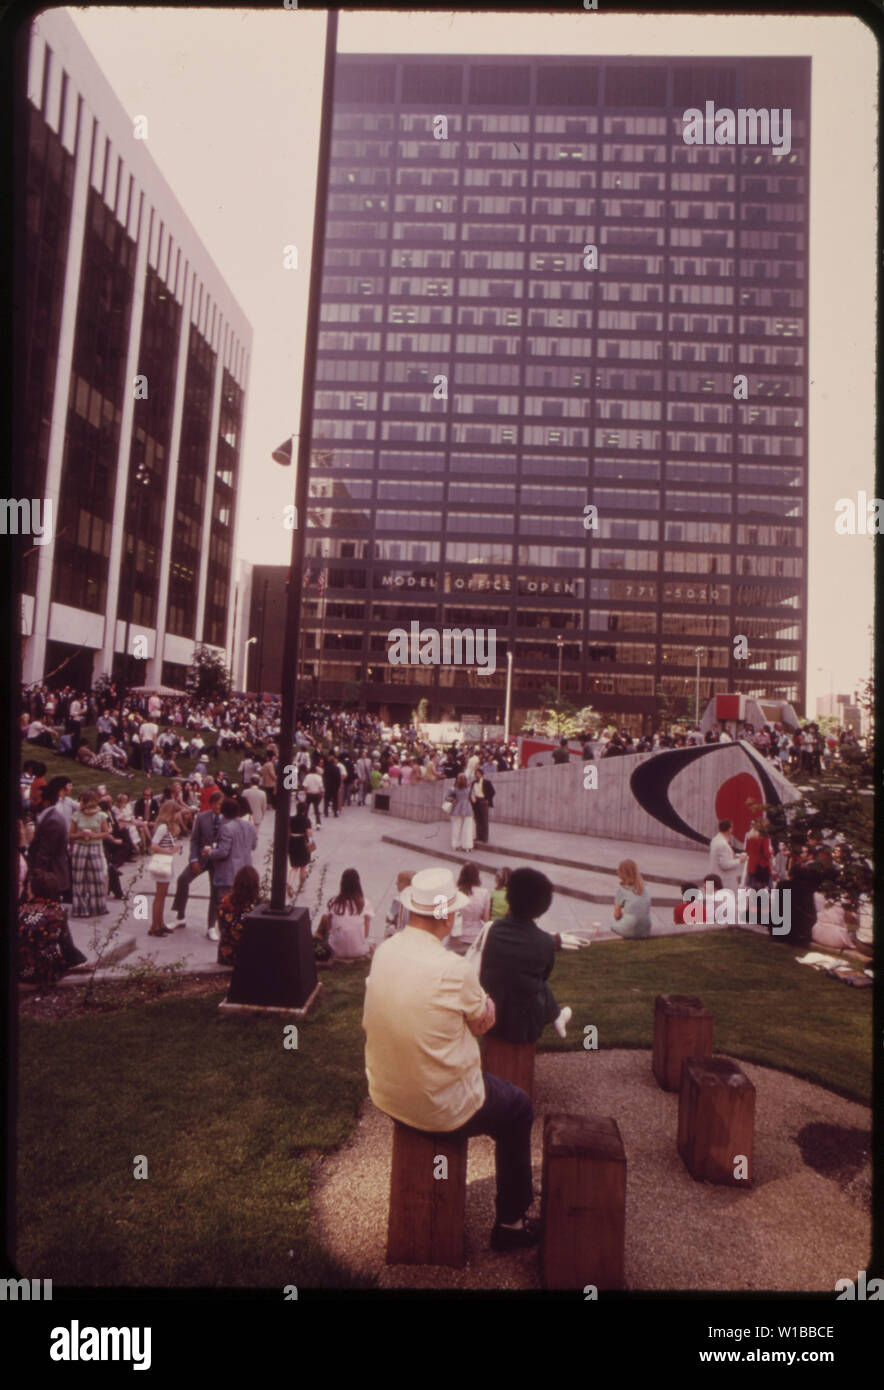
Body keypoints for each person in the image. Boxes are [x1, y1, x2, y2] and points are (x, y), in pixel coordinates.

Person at [362, 865, 538, 1251]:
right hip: (441, 1104)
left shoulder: (386, 950)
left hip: (387, 1092)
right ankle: (511, 1222)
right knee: (519, 1108)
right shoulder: (454, 968)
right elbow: (482, 1023)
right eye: (454, 910)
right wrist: (483, 1003)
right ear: (444, 915)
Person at [480, 866, 572, 1042]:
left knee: (525, 977)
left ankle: (558, 1015)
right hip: (524, 1026)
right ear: (542, 907)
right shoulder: (545, 942)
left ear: (509, 897)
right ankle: (557, 1015)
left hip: (491, 1015)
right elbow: (544, 976)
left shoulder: (493, 930)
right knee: (535, 981)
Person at [18, 868, 86, 987]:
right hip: (47, 972)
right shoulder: (57, 911)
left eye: (29, 888)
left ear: (36, 890)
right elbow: (66, 945)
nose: (26, 890)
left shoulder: (21, 910)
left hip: (21, 972)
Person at [171, 790, 223, 935]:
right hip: (200, 858)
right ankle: (180, 916)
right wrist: (193, 859)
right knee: (182, 880)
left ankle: (211, 926)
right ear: (211, 804)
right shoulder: (201, 818)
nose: (219, 807)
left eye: (221, 804)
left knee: (216, 891)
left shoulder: (227, 819)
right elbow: (194, 841)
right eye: (217, 804)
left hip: (217, 861)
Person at [203, 798, 258, 935]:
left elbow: (223, 852)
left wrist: (209, 852)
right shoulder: (250, 825)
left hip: (228, 873)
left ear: (224, 812)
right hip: (245, 871)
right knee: (243, 907)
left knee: (226, 908)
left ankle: (226, 935)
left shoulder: (227, 828)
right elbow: (254, 846)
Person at [27, 776, 73, 900]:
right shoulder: (46, 817)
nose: (31, 801)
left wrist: (34, 877)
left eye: (35, 799)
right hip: (48, 876)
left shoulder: (53, 821)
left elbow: (45, 853)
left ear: (46, 802)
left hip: (49, 877)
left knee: (49, 912)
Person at [69, 788, 111, 917]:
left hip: (95, 847)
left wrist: (94, 835)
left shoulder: (101, 815)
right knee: (79, 879)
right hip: (80, 848)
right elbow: (70, 834)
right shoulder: (76, 815)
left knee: (98, 878)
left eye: (81, 801)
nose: (79, 803)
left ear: (89, 802)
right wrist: (80, 834)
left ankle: (97, 907)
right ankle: (81, 908)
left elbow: (106, 833)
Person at [318, 868, 374, 960]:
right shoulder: (365, 903)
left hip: (335, 950)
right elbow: (366, 934)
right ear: (358, 884)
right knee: (373, 944)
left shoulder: (333, 902)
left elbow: (329, 930)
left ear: (342, 884)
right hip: (358, 951)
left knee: (325, 918)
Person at [147, 800, 183, 936]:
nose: (179, 815)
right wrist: (170, 851)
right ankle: (155, 926)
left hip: (167, 862)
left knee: (162, 895)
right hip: (162, 863)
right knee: (160, 896)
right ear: (171, 813)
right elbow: (153, 845)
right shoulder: (163, 827)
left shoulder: (168, 827)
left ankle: (160, 924)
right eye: (177, 812)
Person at [216, 866, 261, 969]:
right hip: (246, 957)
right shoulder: (257, 905)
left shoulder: (225, 902)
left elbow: (222, 927)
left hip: (226, 955)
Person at [450, 862, 491, 952]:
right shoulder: (484, 893)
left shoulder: (454, 892)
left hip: (457, 936)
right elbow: (486, 918)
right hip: (475, 937)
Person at [611, 859, 652, 939]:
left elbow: (616, 915)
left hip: (631, 928)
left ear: (621, 873)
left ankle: (628, 931)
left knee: (612, 921)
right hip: (646, 929)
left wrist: (622, 917)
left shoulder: (621, 889)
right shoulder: (645, 887)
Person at [707, 819, 746, 894]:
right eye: (731, 828)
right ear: (729, 829)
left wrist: (735, 857)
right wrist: (740, 860)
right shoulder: (723, 844)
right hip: (723, 880)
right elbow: (725, 865)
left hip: (716, 876)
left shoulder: (715, 840)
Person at [287, 795, 314, 898]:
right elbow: (309, 833)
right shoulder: (306, 820)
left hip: (293, 842)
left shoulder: (291, 819)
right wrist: (310, 843)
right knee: (303, 866)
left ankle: (289, 884)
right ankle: (301, 886)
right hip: (302, 842)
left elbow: (288, 831)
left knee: (294, 866)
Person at [384, 869, 414, 937]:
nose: (396, 883)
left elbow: (389, 918)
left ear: (407, 885)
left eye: (399, 881)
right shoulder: (416, 901)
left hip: (399, 934)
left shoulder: (398, 900)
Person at [449, 774, 474, 852]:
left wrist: (454, 800)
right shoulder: (470, 789)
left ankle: (455, 845)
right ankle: (467, 846)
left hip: (457, 809)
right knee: (468, 828)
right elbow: (474, 800)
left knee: (456, 827)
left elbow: (447, 797)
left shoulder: (454, 789)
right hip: (468, 809)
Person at [744, 819, 773, 889]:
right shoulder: (764, 837)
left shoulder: (750, 836)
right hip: (761, 867)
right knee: (765, 890)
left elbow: (747, 850)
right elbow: (766, 854)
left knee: (752, 890)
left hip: (751, 866)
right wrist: (771, 853)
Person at [470, 768, 494, 845]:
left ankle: (485, 838)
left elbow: (492, 792)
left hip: (483, 801)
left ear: (481, 774)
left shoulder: (487, 782)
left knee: (484, 820)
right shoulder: (473, 783)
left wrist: (488, 799)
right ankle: (478, 836)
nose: (476, 775)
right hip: (476, 802)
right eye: (475, 774)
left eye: (477, 773)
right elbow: (471, 792)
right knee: (478, 820)